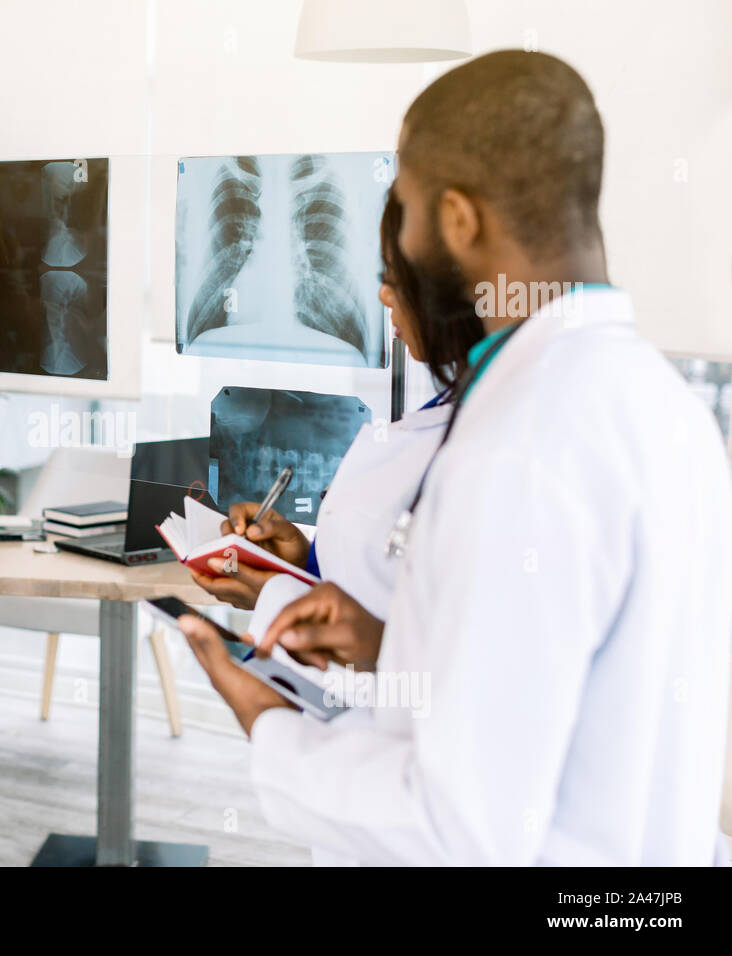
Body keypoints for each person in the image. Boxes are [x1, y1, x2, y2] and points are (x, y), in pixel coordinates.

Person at [178, 50, 732, 865]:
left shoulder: (521, 441)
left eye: (402, 208)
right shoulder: (665, 406)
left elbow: (463, 829)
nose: (396, 242)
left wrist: (268, 725)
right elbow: (566, 693)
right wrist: (390, 646)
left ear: (461, 220)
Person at [189, 191, 484, 620]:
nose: (383, 296)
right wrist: (302, 565)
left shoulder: (495, 439)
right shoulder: (448, 408)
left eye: (396, 277)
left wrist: (279, 597)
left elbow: (424, 643)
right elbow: (378, 592)